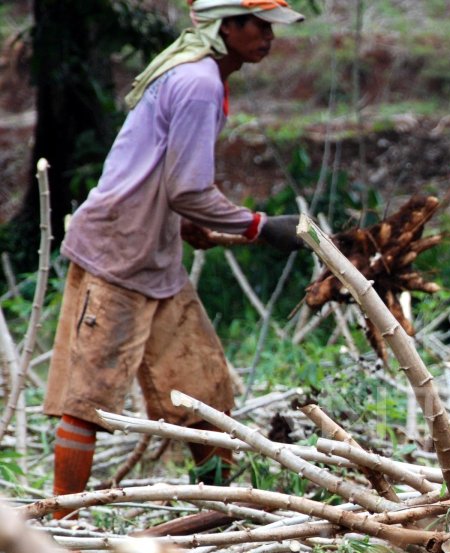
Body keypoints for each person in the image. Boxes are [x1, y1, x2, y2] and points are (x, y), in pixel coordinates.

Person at [44, 0, 306, 517]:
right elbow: (187, 188)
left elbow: (159, 172)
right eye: (259, 25)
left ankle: (215, 512)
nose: (269, 37)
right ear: (226, 26)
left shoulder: (197, 76)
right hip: (117, 256)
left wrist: (188, 227)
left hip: (155, 259)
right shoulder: (199, 83)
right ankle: (59, 530)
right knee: (87, 402)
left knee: (204, 392)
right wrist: (259, 226)